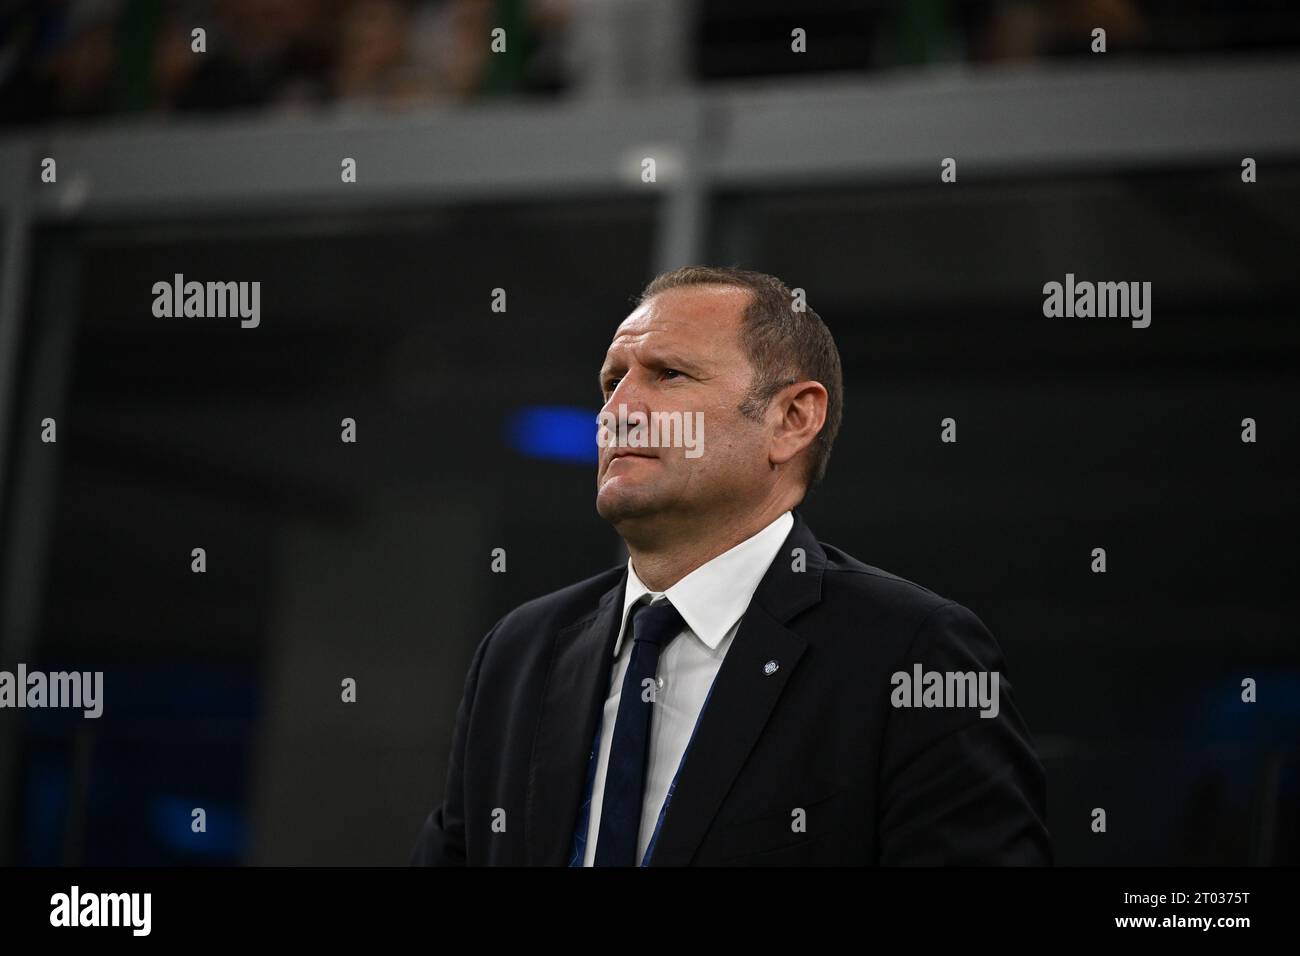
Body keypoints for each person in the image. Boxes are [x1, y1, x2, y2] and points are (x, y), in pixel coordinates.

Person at [411, 265, 1051, 865]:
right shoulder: (520, 653)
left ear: (792, 419)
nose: (617, 410)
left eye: (669, 375)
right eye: (613, 381)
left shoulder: (911, 652)